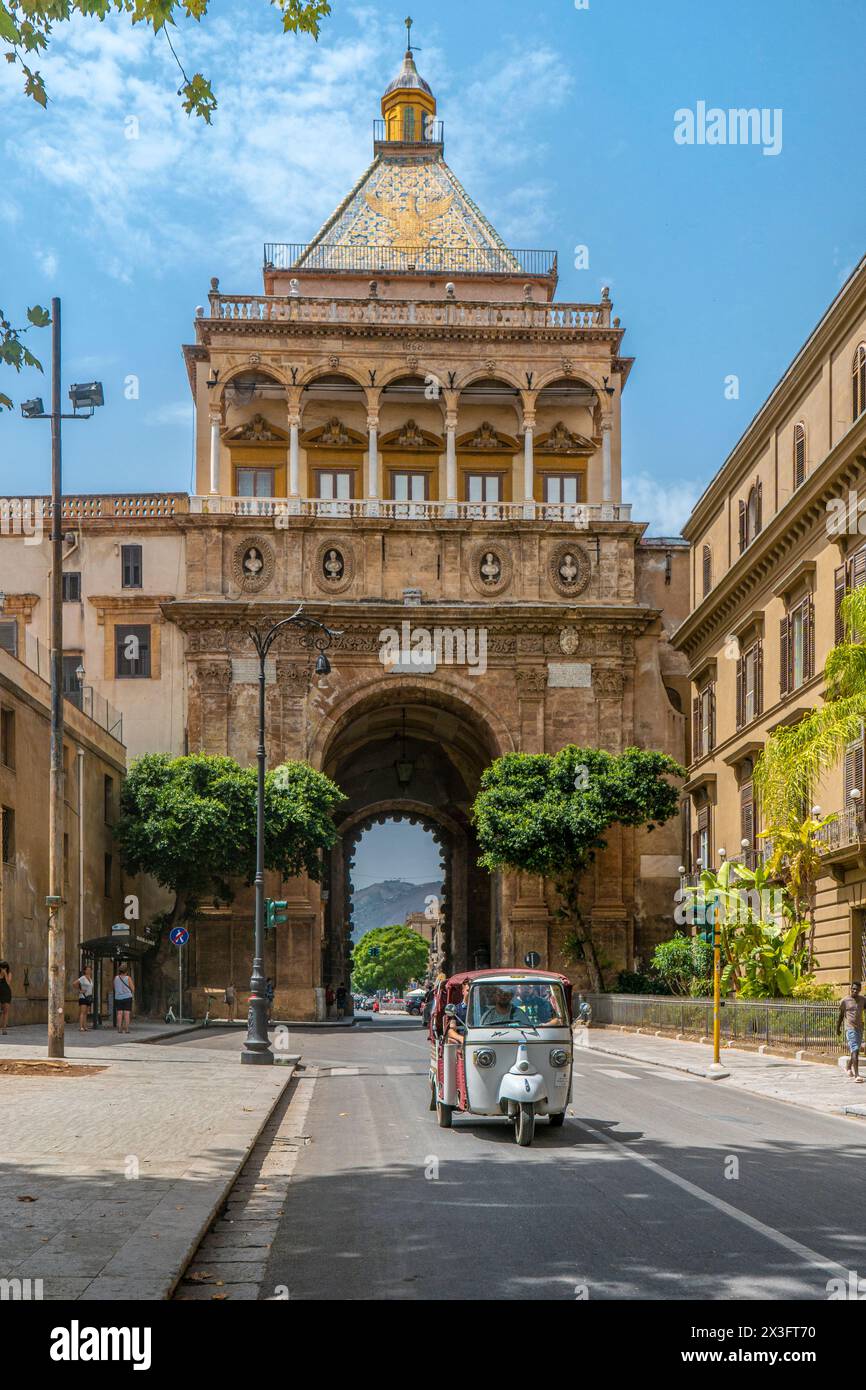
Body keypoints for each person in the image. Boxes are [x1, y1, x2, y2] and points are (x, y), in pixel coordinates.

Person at [837, 982, 865, 1082]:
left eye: (857, 989)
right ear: (850, 989)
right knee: (856, 1049)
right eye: (853, 989)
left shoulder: (863, 1000)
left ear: (860, 990)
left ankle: (848, 1067)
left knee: (854, 1050)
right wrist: (838, 1028)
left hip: (860, 1028)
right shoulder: (845, 1001)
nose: (855, 991)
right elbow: (840, 1016)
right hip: (850, 1028)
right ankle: (856, 1075)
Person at [113, 964, 134, 1033]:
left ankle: (119, 1028)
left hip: (118, 998)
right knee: (127, 1013)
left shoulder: (116, 978)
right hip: (127, 997)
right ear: (126, 971)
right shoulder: (128, 978)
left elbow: (114, 987)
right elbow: (133, 988)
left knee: (119, 1013)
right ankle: (127, 1029)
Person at [76, 963, 94, 1033]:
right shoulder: (83, 978)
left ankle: (85, 1026)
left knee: (86, 1013)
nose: (89, 971)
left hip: (89, 997)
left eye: (90, 970)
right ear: (85, 971)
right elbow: (74, 983)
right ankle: (81, 1027)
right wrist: (80, 990)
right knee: (82, 1012)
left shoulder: (90, 978)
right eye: (88, 970)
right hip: (83, 997)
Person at [0, 961, 11, 1034]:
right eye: (2, 968)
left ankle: (4, 1029)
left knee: (5, 1012)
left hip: (6, 994)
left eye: (5, 968)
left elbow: (8, 983)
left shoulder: (9, 974)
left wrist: (5, 974)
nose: (3, 969)